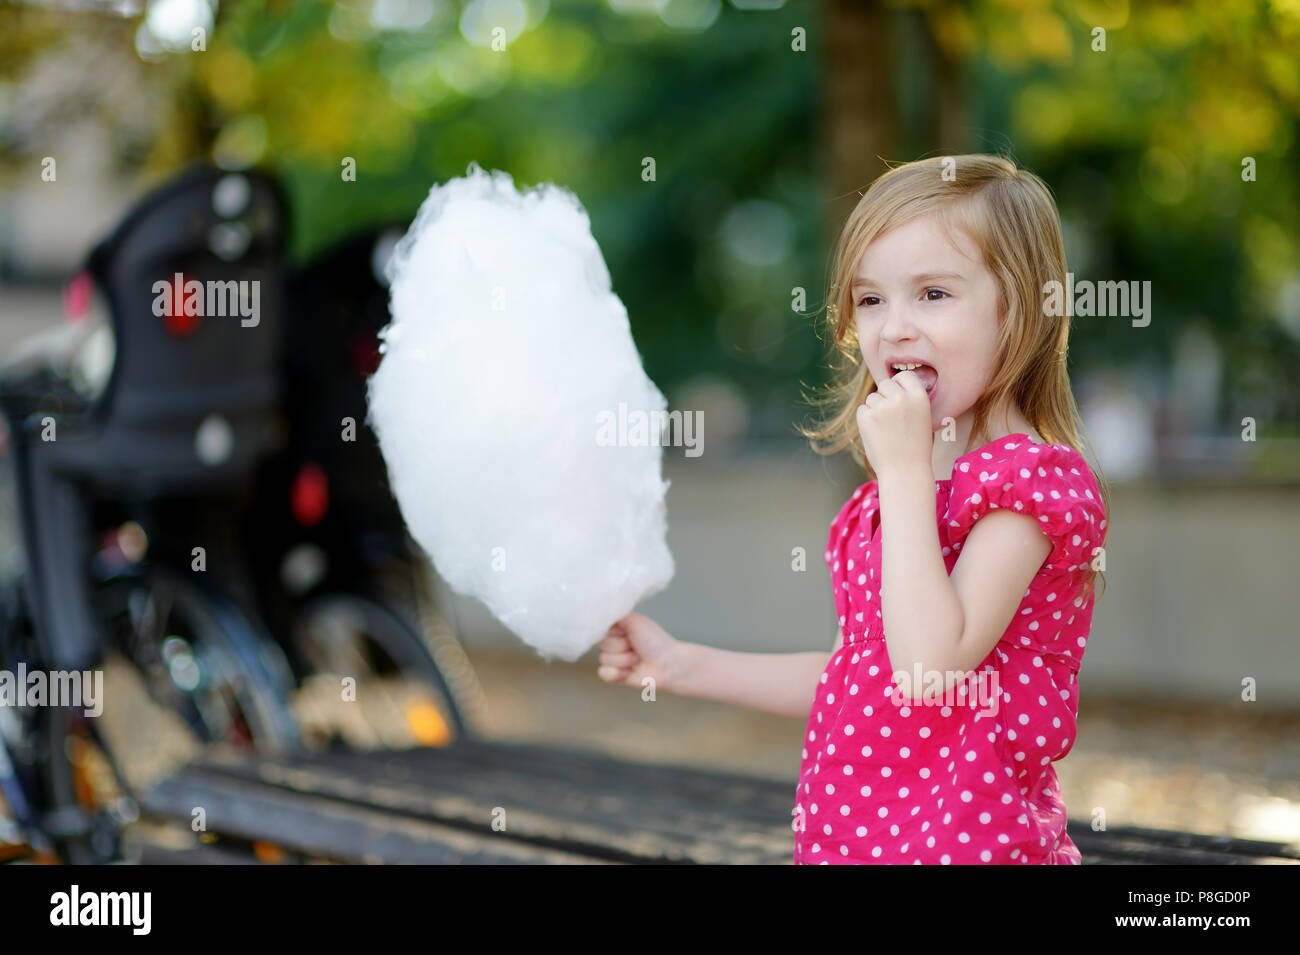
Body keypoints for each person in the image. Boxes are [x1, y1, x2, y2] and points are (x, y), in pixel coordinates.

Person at [597, 154, 1110, 864]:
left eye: (933, 293)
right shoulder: (893, 498)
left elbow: (928, 667)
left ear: (1019, 307)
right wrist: (682, 664)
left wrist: (903, 474)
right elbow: (859, 679)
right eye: (871, 300)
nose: (894, 327)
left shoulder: (1025, 486)